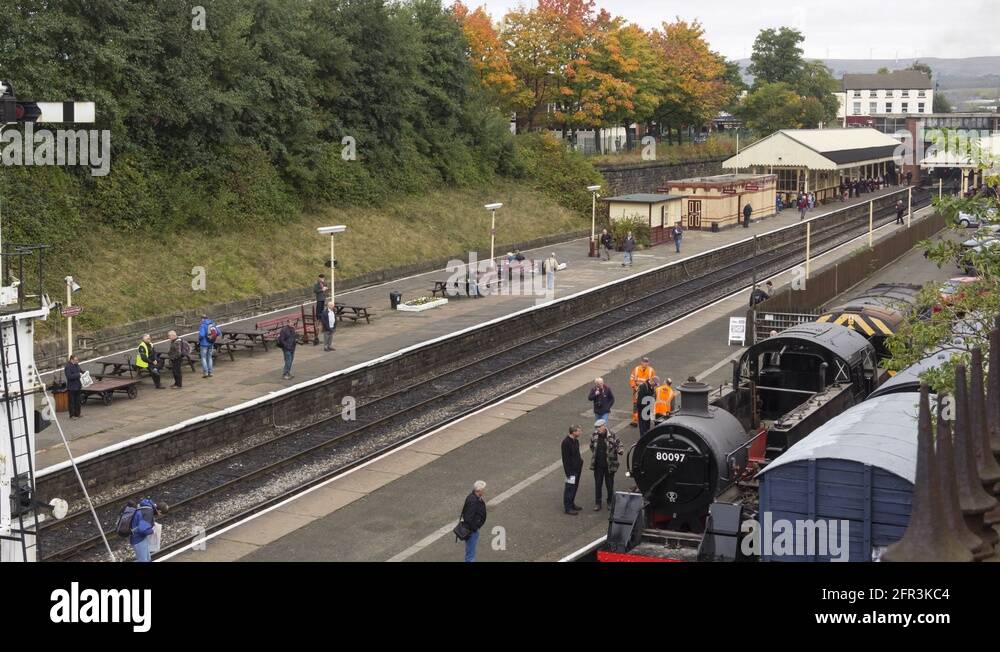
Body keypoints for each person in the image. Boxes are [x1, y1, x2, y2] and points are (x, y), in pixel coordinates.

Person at [590, 420, 623, 510]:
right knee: (598, 484)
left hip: (610, 465)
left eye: (598, 427)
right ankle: (598, 503)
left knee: (609, 485)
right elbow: (592, 446)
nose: (597, 429)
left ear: (604, 426)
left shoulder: (612, 435)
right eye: (596, 428)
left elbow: (619, 445)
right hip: (598, 465)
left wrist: (620, 450)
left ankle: (610, 502)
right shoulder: (594, 435)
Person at [460, 481, 488, 562]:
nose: (484, 491)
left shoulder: (475, 497)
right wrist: (475, 528)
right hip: (471, 531)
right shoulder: (473, 500)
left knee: (470, 551)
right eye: (483, 489)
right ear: (479, 491)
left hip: (472, 529)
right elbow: (468, 518)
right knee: (470, 554)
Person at [561, 426, 584, 515]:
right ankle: (568, 507)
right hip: (571, 470)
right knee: (569, 488)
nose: (581, 432)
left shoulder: (576, 441)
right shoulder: (566, 443)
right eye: (579, 431)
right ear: (573, 432)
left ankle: (572, 503)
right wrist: (568, 472)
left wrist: (580, 461)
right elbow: (565, 459)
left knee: (574, 487)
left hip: (577, 468)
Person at [629, 357, 656, 426]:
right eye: (644, 362)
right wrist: (634, 387)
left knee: (645, 404)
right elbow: (632, 379)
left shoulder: (651, 370)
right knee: (635, 404)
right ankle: (635, 420)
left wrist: (650, 389)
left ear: (648, 363)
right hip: (637, 390)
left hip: (646, 391)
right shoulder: (636, 369)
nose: (645, 363)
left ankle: (644, 419)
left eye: (646, 362)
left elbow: (654, 381)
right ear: (641, 362)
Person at [64, 355, 83, 419]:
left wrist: (85, 372)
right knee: (72, 402)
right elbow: (69, 376)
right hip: (71, 387)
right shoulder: (68, 367)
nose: (77, 361)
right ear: (71, 360)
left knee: (78, 401)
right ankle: (72, 415)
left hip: (78, 386)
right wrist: (78, 375)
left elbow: (80, 371)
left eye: (77, 360)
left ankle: (77, 414)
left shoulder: (77, 365)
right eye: (75, 360)